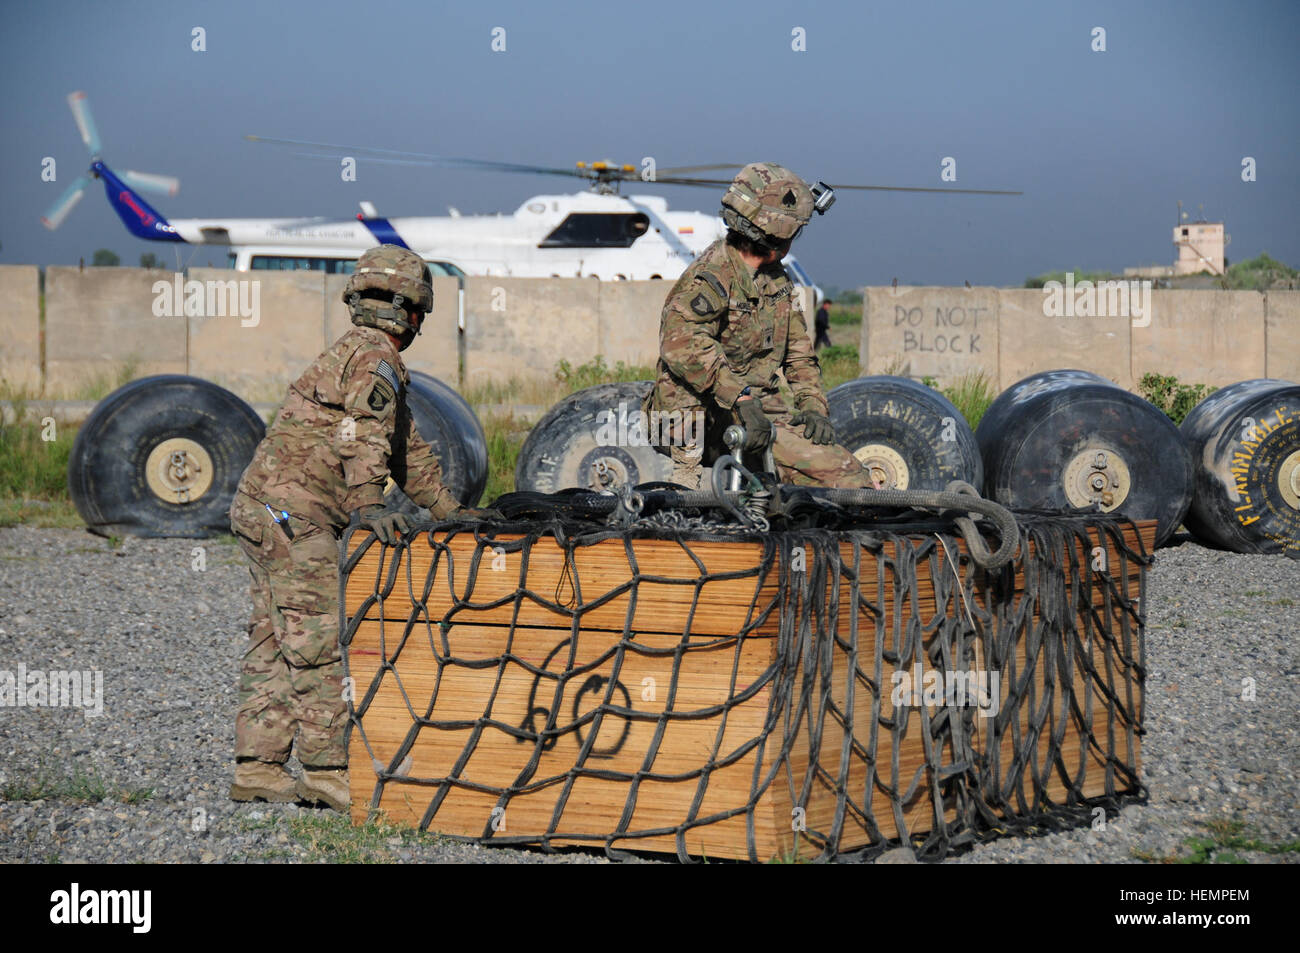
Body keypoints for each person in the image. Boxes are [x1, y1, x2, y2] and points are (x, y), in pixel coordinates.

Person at [227, 243, 476, 811]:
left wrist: (448, 513)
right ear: (415, 312)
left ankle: (258, 767)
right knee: (316, 641)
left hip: (265, 509)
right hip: (296, 517)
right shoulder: (377, 360)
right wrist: (368, 507)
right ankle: (325, 771)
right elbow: (363, 433)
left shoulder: (357, 352)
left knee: (272, 637)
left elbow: (404, 447)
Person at [646, 162, 879, 490]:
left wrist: (813, 406)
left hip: (760, 413)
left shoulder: (776, 280)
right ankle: (685, 487)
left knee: (849, 478)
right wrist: (740, 398)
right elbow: (681, 343)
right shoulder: (711, 277)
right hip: (700, 417)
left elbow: (799, 353)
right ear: (777, 232)